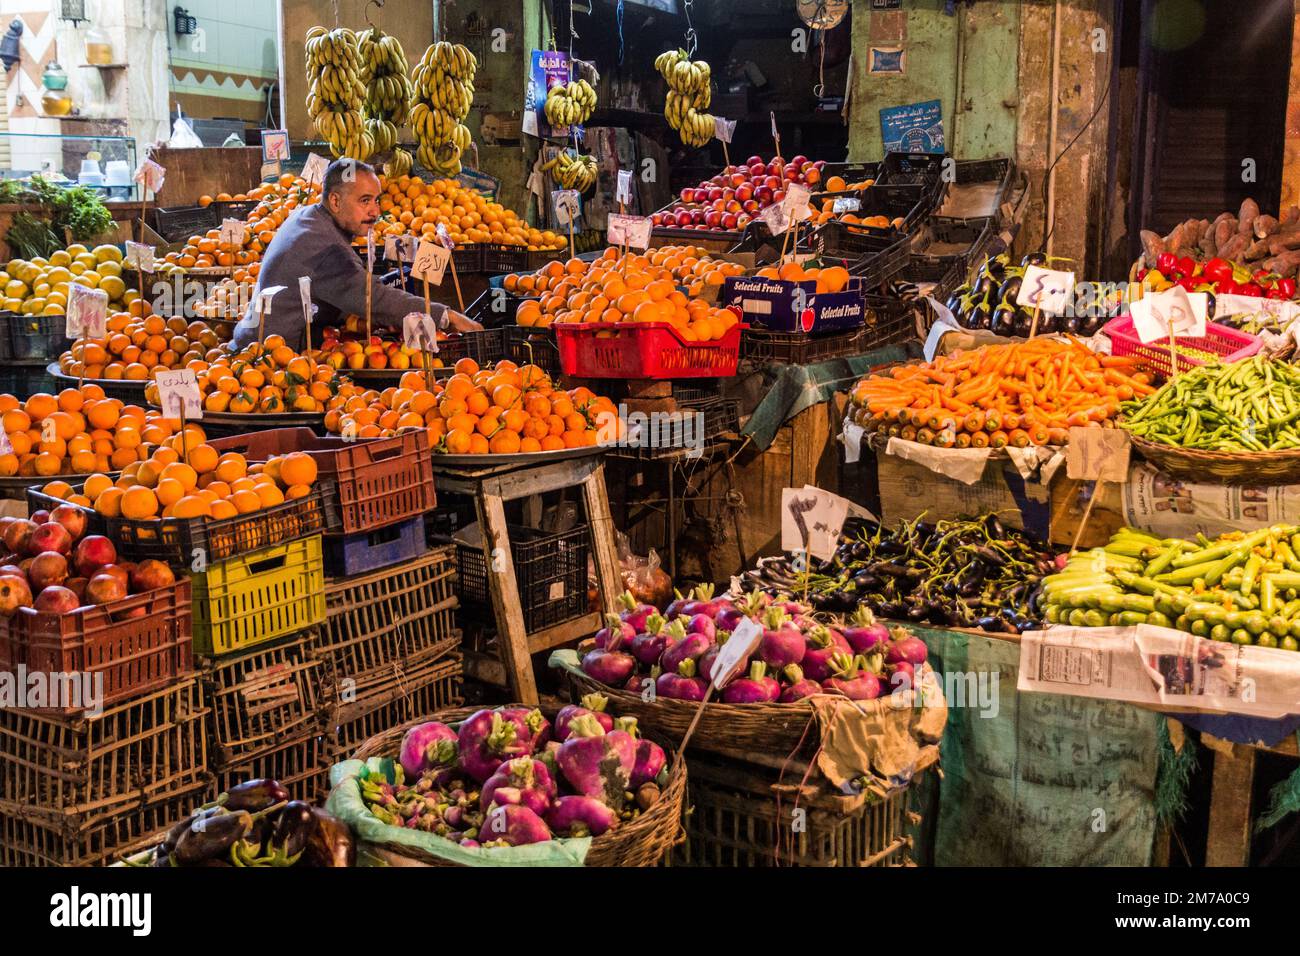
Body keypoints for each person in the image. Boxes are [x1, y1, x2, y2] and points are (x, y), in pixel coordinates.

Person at [231, 158, 481, 350]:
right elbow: (374, 300)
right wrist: (448, 317)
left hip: (262, 342)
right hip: (270, 360)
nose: (375, 211)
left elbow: (344, 291)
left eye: (376, 200)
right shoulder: (326, 246)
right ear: (335, 201)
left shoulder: (306, 216)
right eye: (364, 201)